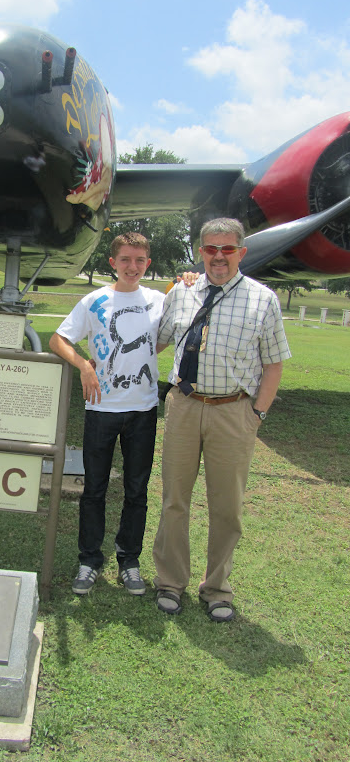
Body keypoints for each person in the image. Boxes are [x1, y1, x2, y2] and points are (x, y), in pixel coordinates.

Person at [152, 217, 291, 622]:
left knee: (227, 506)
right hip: (184, 406)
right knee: (174, 500)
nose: (218, 256)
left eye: (227, 249)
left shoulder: (263, 299)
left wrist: (257, 414)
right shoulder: (181, 292)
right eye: (211, 248)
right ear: (201, 252)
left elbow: (274, 365)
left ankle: (217, 588)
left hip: (234, 411)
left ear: (241, 253)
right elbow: (157, 341)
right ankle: (170, 582)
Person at [49, 232, 164, 596]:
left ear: (148, 263)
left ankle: (129, 561)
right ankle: (89, 560)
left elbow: (163, 337)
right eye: (125, 259)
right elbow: (58, 340)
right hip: (101, 409)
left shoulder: (159, 301)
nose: (133, 266)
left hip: (143, 410)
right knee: (94, 489)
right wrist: (84, 365)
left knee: (137, 491)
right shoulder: (95, 300)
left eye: (140, 260)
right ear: (113, 262)